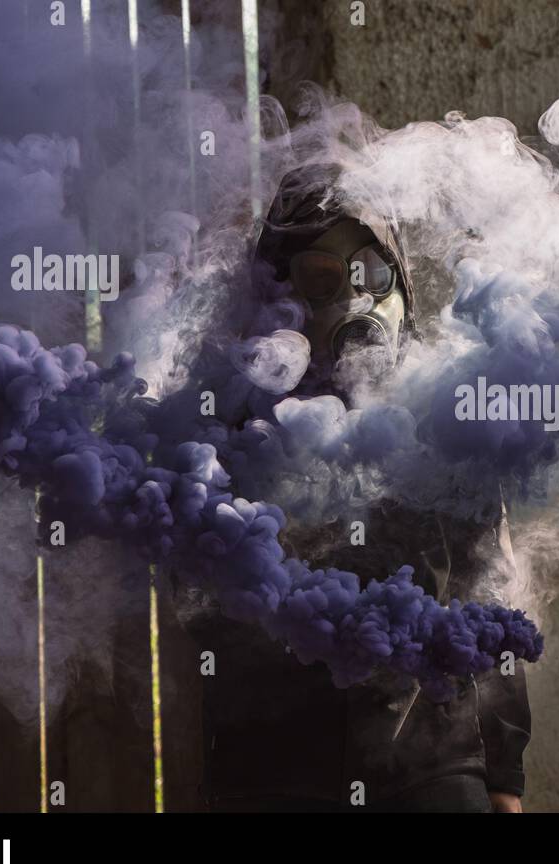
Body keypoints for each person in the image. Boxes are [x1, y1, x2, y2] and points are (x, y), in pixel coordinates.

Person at [193, 172, 531, 813]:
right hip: (277, 769)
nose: (357, 300)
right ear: (277, 302)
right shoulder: (226, 434)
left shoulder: (446, 426)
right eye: (323, 280)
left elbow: (490, 594)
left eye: (375, 277)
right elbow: (207, 614)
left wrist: (504, 777)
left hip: (433, 762)